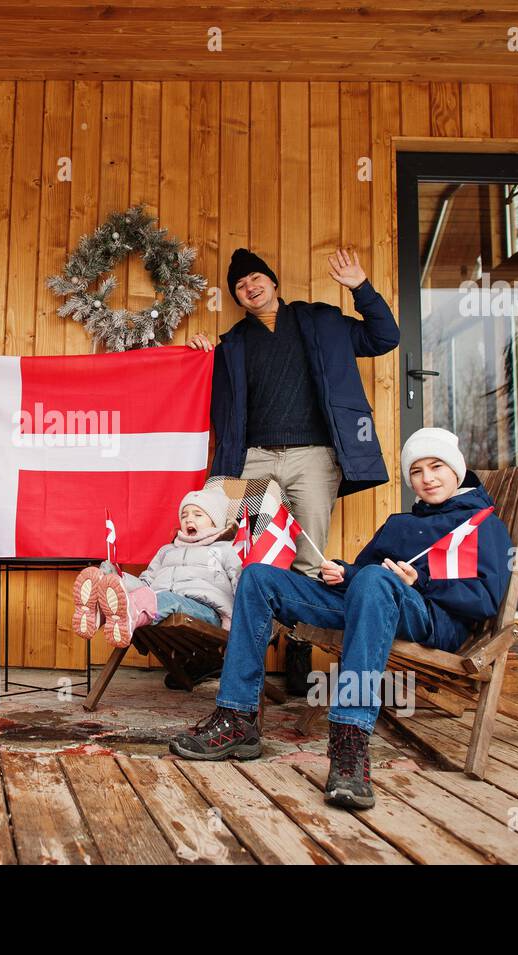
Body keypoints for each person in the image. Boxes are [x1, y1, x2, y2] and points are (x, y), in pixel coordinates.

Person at [169, 428, 513, 812]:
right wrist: (344, 573)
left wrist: (421, 582)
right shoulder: (399, 524)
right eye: (416, 471)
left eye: (436, 467)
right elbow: (364, 574)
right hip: (372, 602)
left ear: (456, 470)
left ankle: (350, 742)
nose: (427, 478)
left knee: (376, 579)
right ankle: (237, 718)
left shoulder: (484, 526)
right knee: (258, 576)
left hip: (429, 619)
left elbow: (485, 600)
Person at [186, 246, 401, 690]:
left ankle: (298, 650)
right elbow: (198, 389)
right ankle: (229, 651)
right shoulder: (233, 346)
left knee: (308, 556)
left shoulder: (322, 321)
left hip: (313, 458)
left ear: (273, 282)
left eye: (256, 279)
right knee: (247, 551)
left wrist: (360, 287)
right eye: (241, 286)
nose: (250, 287)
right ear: (238, 297)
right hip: (254, 461)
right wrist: (199, 356)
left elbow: (385, 338)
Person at [71, 488, 242, 652]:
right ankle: (97, 614)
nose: (189, 519)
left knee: (166, 598)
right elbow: (146, 583)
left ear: (215, 522)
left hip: (206, 610)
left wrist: (236, 623)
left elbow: (240, 584)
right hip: (159, 600)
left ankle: (128, 613)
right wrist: (119, 578)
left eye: (198, 515)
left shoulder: (226, 550)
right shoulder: (167, 550)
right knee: (117, 582)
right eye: (184, 515)